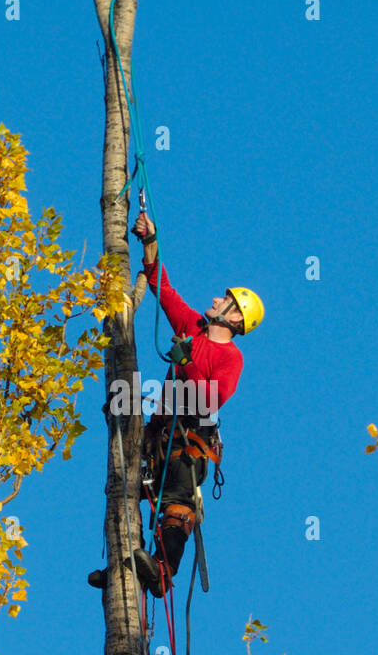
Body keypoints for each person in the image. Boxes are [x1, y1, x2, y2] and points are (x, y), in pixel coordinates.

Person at [88, 208, 264, 597]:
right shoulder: (193, 329)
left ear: (234, 318)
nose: (217, 298)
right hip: (157, 437)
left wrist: (185, 362)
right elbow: (163, 290)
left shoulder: (230, 358)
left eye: (226, 300)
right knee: (126, 490)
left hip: (189, 444)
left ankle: (162, 574)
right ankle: (121, 568)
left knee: (176, 509)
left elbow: (212, 398)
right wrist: (150, 240)